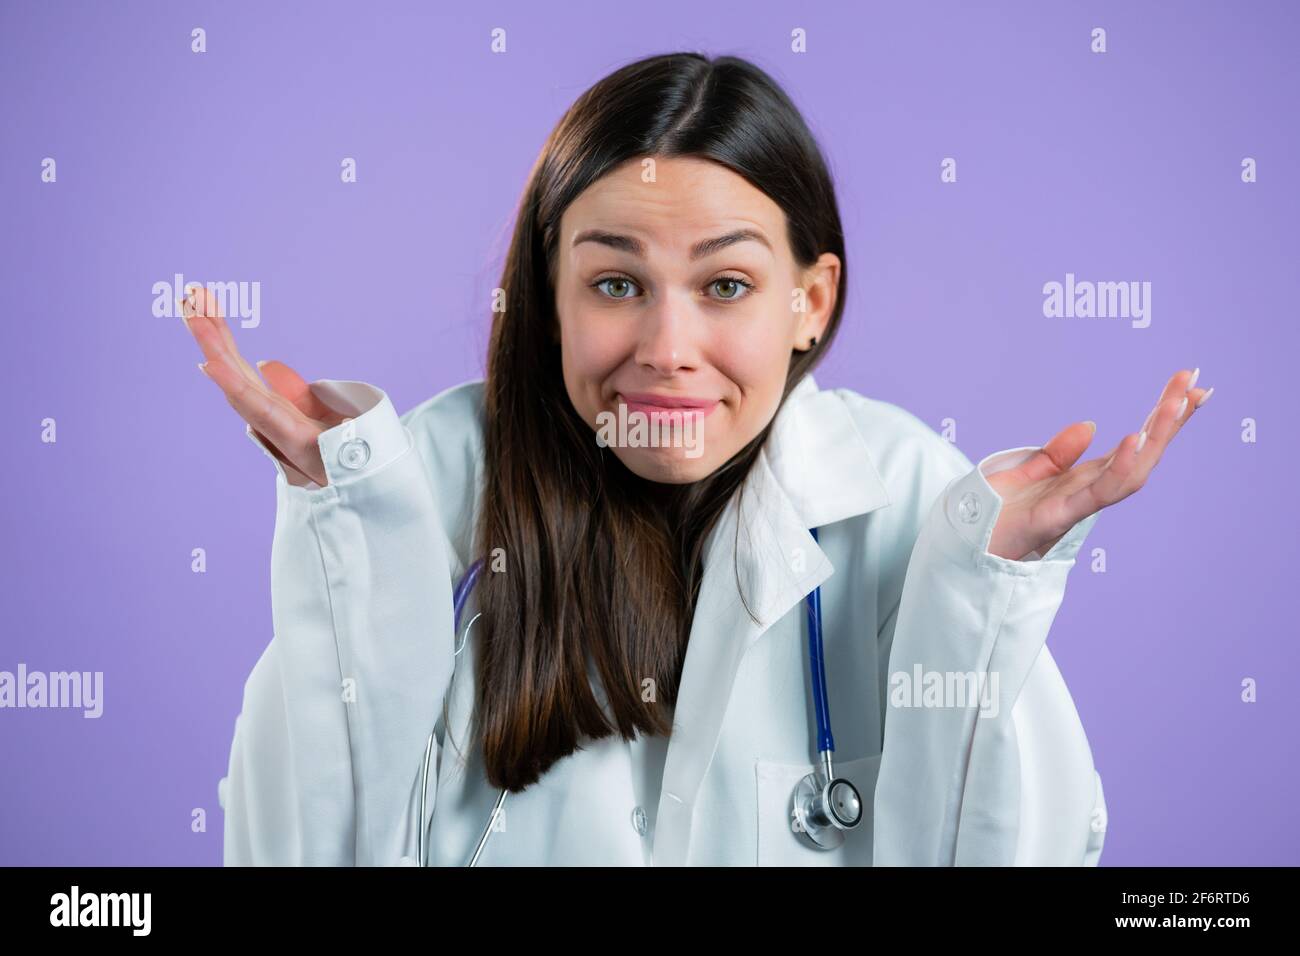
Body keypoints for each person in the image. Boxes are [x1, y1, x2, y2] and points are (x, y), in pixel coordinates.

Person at [186, 52, 1212, 866]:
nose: (667, 347)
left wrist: (982, 596)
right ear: (548, 299)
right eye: (616, 284)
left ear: (806, 301)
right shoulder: (432, 494)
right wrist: (351, 543)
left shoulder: (907, 500)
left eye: (724, 286)